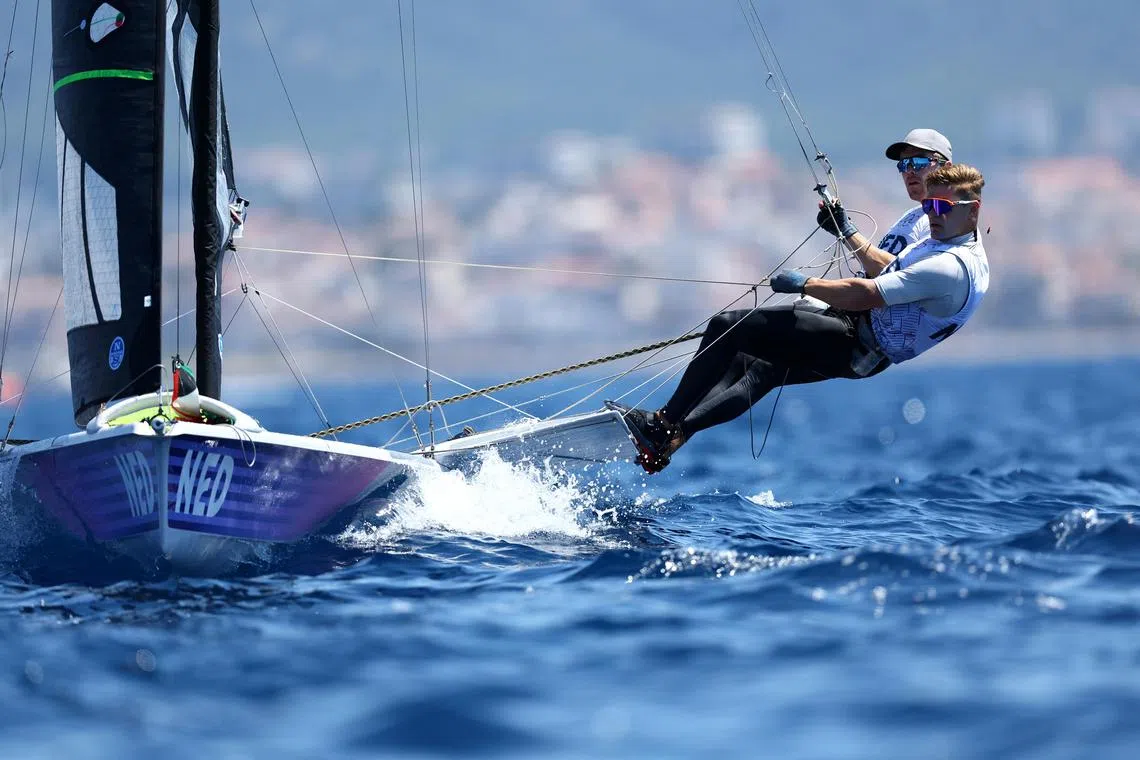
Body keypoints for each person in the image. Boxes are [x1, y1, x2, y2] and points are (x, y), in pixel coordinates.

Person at [611, 162, 990, 473]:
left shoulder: (949, 266)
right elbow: (892, 270)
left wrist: (806, 284)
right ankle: (671, 438)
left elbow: (866, 294)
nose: (932, 214)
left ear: (973, 210)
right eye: (928, 206)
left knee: (728, 328)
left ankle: (660, 424)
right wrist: (848, 232)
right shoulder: (953, 242)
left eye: (940, 208)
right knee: (758, 367)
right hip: (864, 351)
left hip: (855, 340)